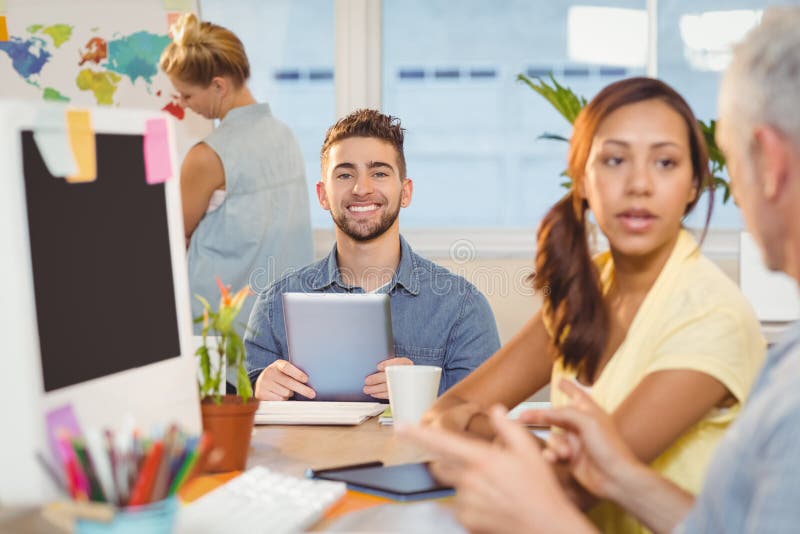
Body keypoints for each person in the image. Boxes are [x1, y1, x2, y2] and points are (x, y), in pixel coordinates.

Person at [402, 6, 800, 533]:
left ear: (694, 187)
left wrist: (495, 438)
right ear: (582, 180)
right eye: (614, 160)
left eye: (664, 162)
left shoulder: (711, 313)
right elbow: (443, 416)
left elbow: (572, 488)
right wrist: (523, 446)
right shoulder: (588, 283)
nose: (638, 183)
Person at [244, 109, 501, 401]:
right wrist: (256, 390)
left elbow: (487, 412)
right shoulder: (274, 305)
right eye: (344, 174)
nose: (361, 189)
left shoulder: (462, 309)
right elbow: (236, 409)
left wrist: (421, 391)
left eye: (378, 173)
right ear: (323, 195)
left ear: (405, 192)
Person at [159, 13, 313, 333]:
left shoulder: (208, 156)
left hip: (221, 333)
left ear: (218, 86)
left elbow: (173, 238)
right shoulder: (285, 135)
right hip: (281, 326)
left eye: (187, 95)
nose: (185, 105)